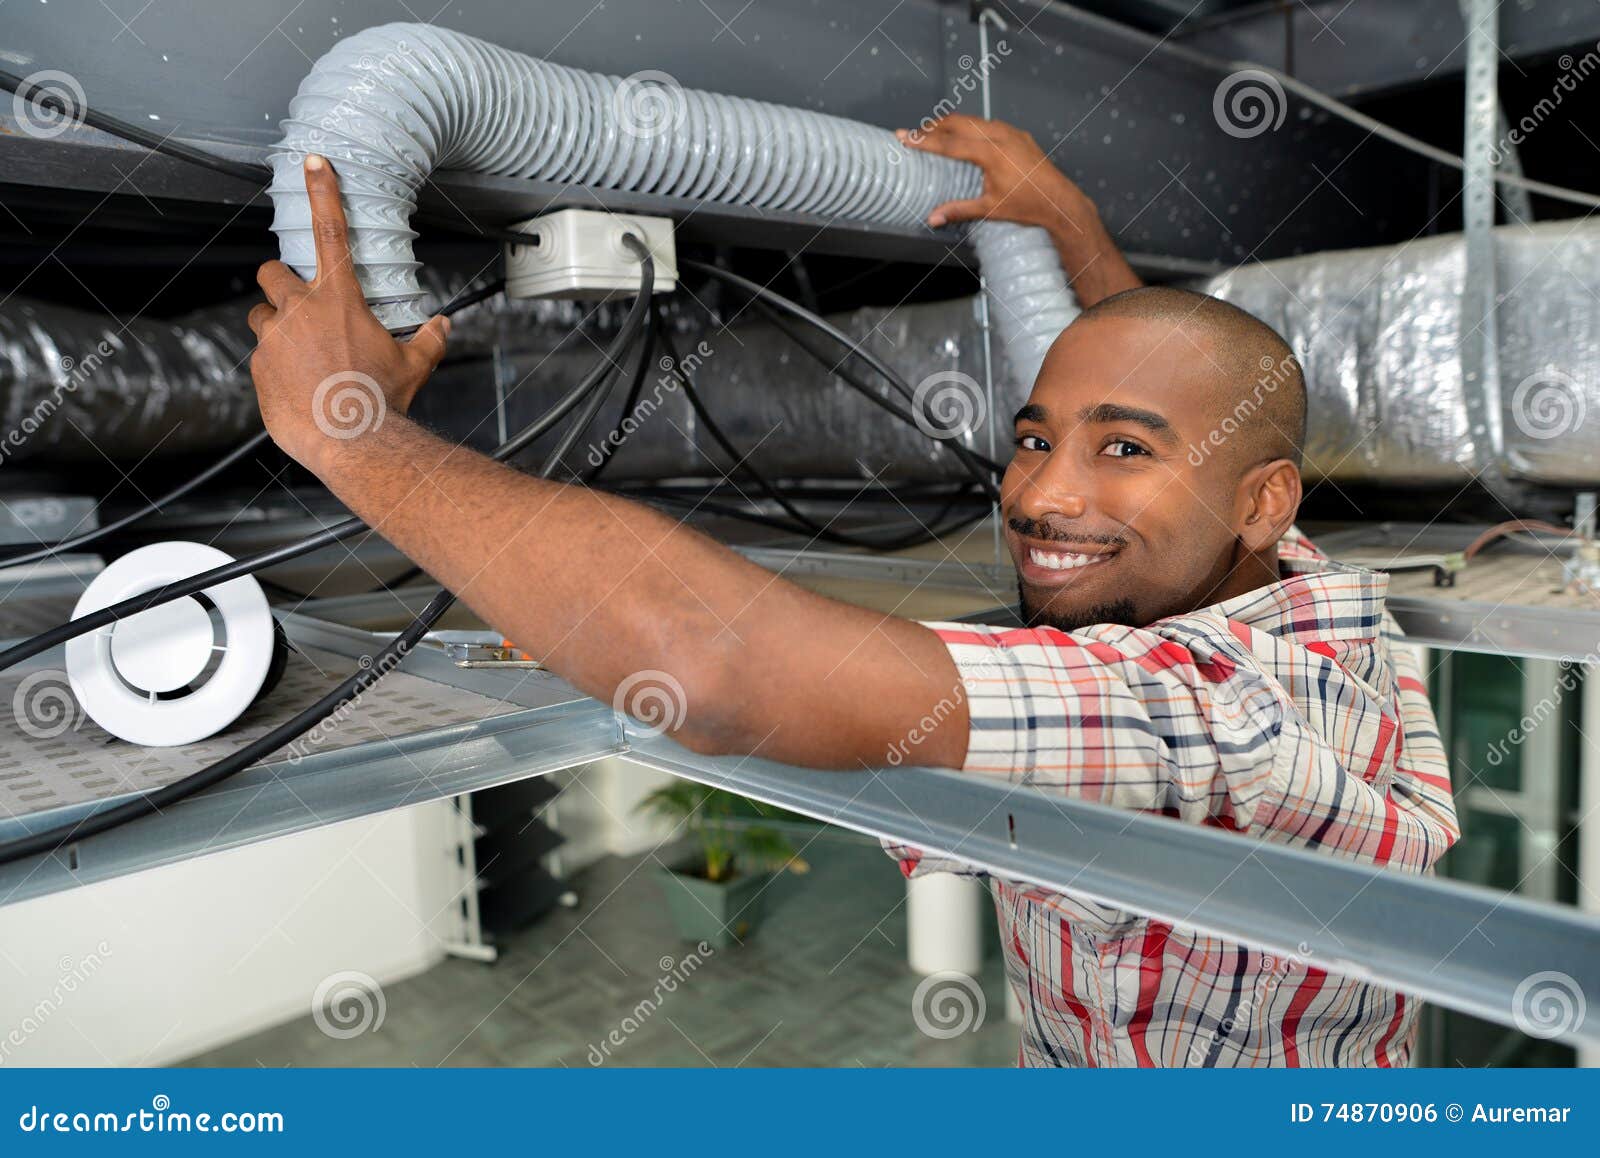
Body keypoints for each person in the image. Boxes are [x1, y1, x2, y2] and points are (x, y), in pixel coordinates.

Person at [246, 114, 1458, 1068]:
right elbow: (1189, 397)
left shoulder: (1204, 715)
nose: (1040, 496)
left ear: (1262, 501)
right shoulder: (1287, 583)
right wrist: (1067, 222)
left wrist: (345, 432)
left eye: (1121, 451)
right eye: (1035, 440)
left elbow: (706, 659)